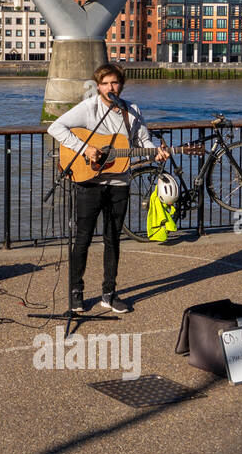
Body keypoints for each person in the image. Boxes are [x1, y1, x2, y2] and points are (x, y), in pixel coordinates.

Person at [47, 63, 168, 315]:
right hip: (89, 183)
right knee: (83, 239)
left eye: (115, 83)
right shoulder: (89, 108)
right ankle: (76, 293)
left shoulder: (131, 110)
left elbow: (142, 140)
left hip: (119, 183)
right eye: (106, 83)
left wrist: (155, 151)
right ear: (98, 86)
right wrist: (86, 148)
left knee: (113, 239)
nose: (111, 88)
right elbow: (55, 127)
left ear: (121, 85)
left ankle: (109, 293)